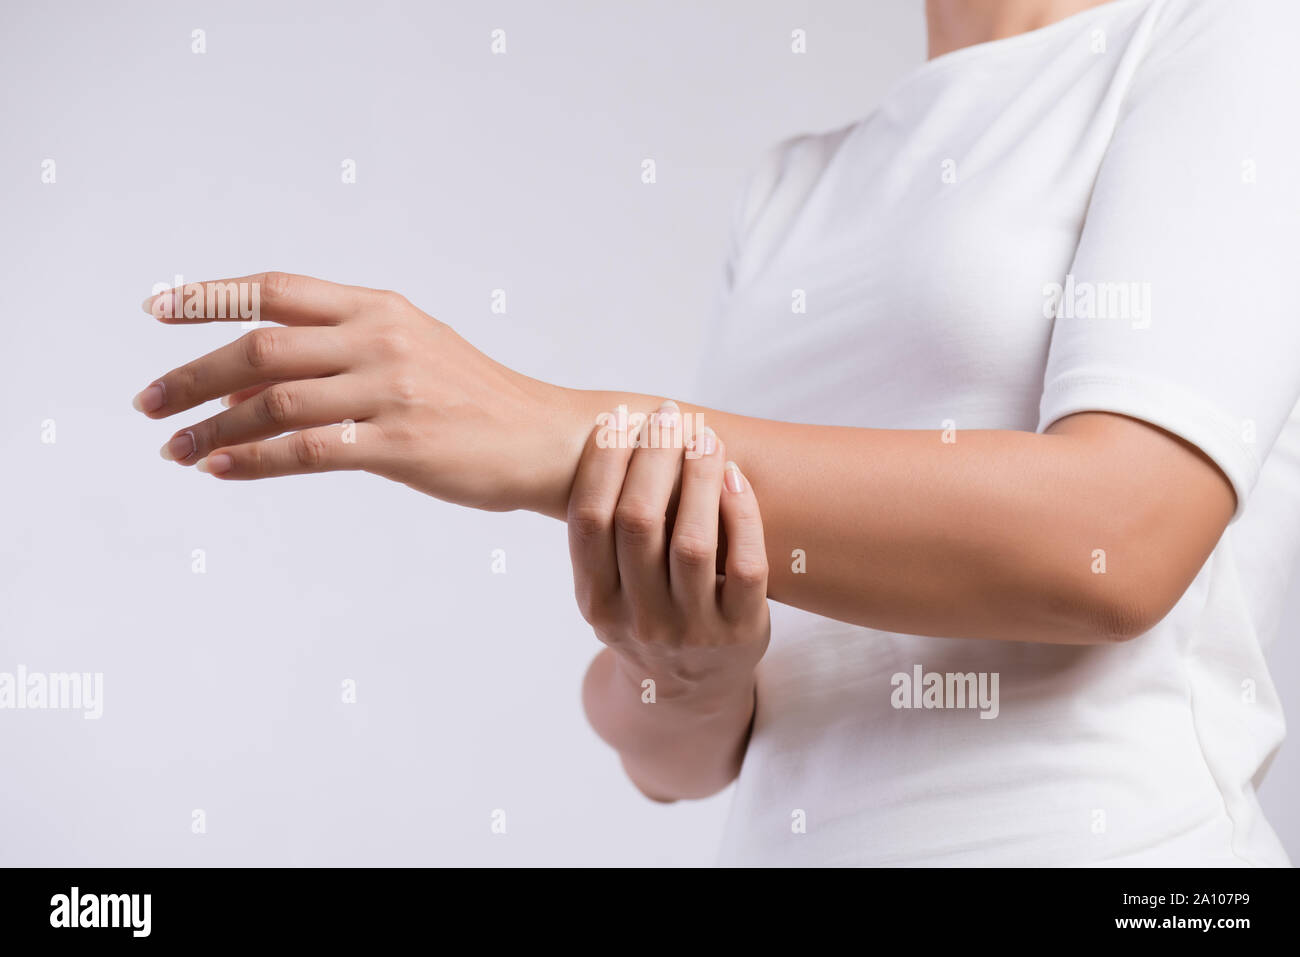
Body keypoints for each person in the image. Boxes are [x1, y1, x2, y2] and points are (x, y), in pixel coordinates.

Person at [133, 0, 1300, 865]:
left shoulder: (1227, 43)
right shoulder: (793, 187)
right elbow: (681, 760)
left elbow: (1118, 539)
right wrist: (688, 676)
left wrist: (553, 427)